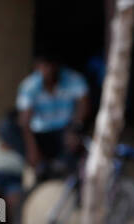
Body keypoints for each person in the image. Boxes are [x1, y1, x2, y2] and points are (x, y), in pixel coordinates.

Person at [16, 50, 90, 180]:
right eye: (42, 67)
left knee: (77, 146)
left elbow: (84, 106)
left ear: (57, 66)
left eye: (49, 66)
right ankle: (42, 169)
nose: (47, 71)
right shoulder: (29, 86)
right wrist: (32, 149)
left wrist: (75, 128)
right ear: (36, 67)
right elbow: (25, 121)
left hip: (66, 130)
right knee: (7, 127)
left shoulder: (73, 79)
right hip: (41, 134)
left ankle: (66, 170)